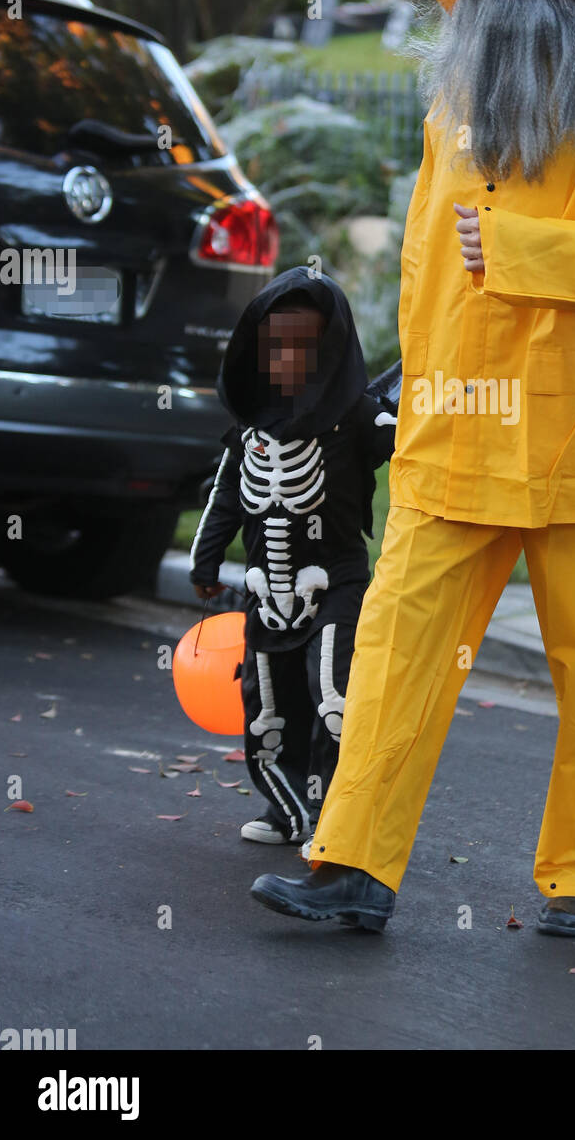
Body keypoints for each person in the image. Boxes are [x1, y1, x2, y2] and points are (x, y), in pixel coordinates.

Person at [250, 0, 575, 935]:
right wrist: (394, 382)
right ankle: (351, 863)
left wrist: (525, 251)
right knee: (396, 650)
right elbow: (422, 267)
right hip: (454, 432)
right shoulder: (448, 113)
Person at [189, 267, 396, 844]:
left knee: (332, 694)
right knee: (267, 708)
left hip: (336, 582)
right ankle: (285, 808)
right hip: (264, 592)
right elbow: (225, 496)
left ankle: (335, 817)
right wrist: (206, 565)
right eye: (275, 347)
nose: (288, 360)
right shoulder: (251, 426)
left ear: (332, 349)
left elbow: (407, 438)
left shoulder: (354, 417)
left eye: (306, 347)